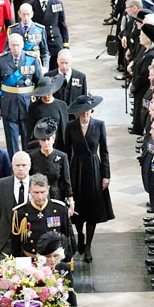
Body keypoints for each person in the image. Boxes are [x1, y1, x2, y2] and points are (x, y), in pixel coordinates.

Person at [66, 95, 112, 261]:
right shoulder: (70, 126)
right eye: (82, 111)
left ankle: (88, 246)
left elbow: (104, 151)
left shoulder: (99, 125)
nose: (86, 114)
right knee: (78, 207)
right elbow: (66, 151)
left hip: (93, 168)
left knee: (92, 208)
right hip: (77, 168)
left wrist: (106, 175)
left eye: (88, 111)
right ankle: (80, 235)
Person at [8, 174, 71, 258]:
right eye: (36, 192)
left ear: (48, 189)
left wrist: (67, 259)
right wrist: (17, 262)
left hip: (53, 260)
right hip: (30, 259)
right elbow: (16, 242)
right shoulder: (20, 212)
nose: (40, 197)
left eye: (43, 192)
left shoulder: (60, 209)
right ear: (29, 191)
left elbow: (66, 236)